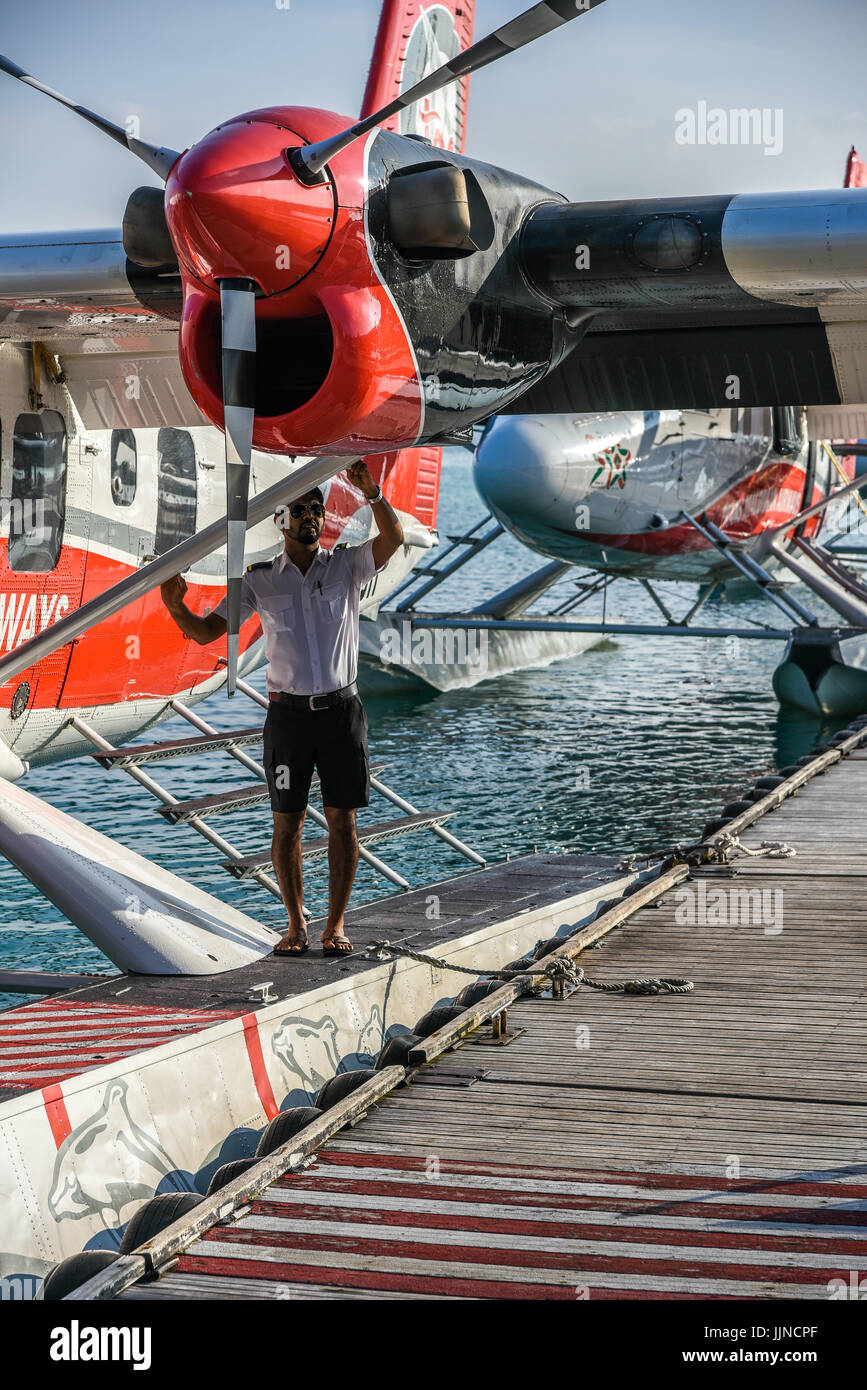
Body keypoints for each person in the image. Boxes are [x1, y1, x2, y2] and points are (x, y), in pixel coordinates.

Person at [160, 461, 404, 957]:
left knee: (343, 820)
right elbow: (208, 633)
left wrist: (372, 493)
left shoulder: (347, 565)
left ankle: (335, 927)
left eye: (316, 509)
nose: (311, 516)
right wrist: (175, 605)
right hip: (288, 720)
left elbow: (393, 538)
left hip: (342, 713)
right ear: (282, 521)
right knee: (287, 822)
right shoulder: (260, 581)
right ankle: (296, 926)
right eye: (300, 510)